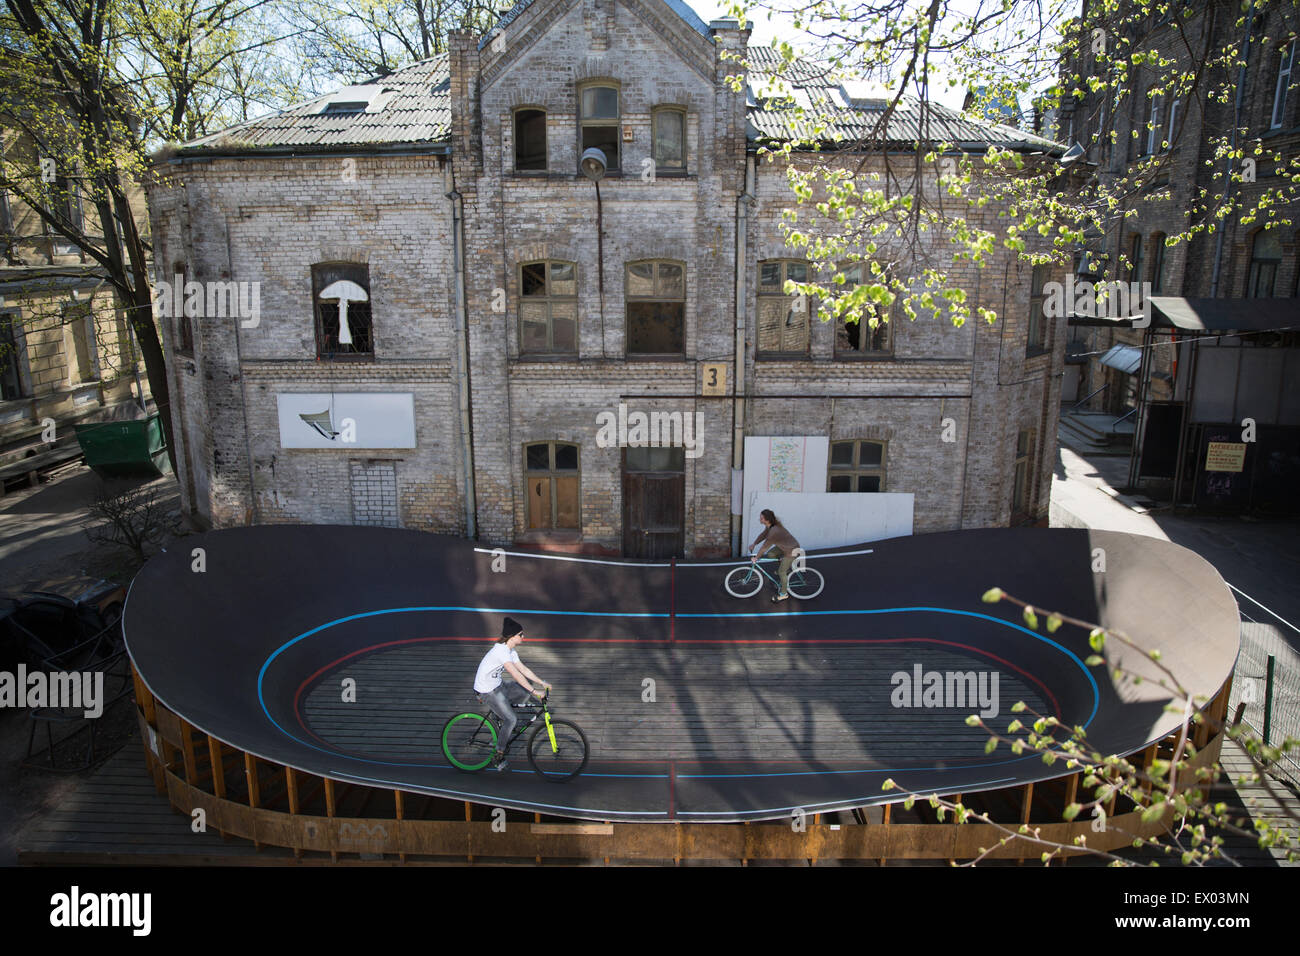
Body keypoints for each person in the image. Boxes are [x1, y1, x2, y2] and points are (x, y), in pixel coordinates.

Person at [473, 616, 550, 770]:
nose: (523, 637)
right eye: (521, 634)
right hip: (486, 691)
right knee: (511, 720)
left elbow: (523, 669)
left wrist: (542, 682)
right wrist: (535, 692)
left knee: (523, 689)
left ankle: (502, 721)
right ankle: (498, 755)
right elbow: (515, 674)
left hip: (498, 685)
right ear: (512, 636)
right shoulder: (501, 651)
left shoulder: (510, 649)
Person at [749, 509, 801, 602]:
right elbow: (763, 534)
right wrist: (754, 543)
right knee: (771, 554)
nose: (759, 519)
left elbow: (765, 547)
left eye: (761, 518)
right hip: (785, 547)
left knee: (781, 572)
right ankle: (786, 566)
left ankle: (783, 594)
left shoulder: (774, 531)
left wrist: (756, 558)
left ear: (767, 520)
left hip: (792, 550)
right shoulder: (770, 526)